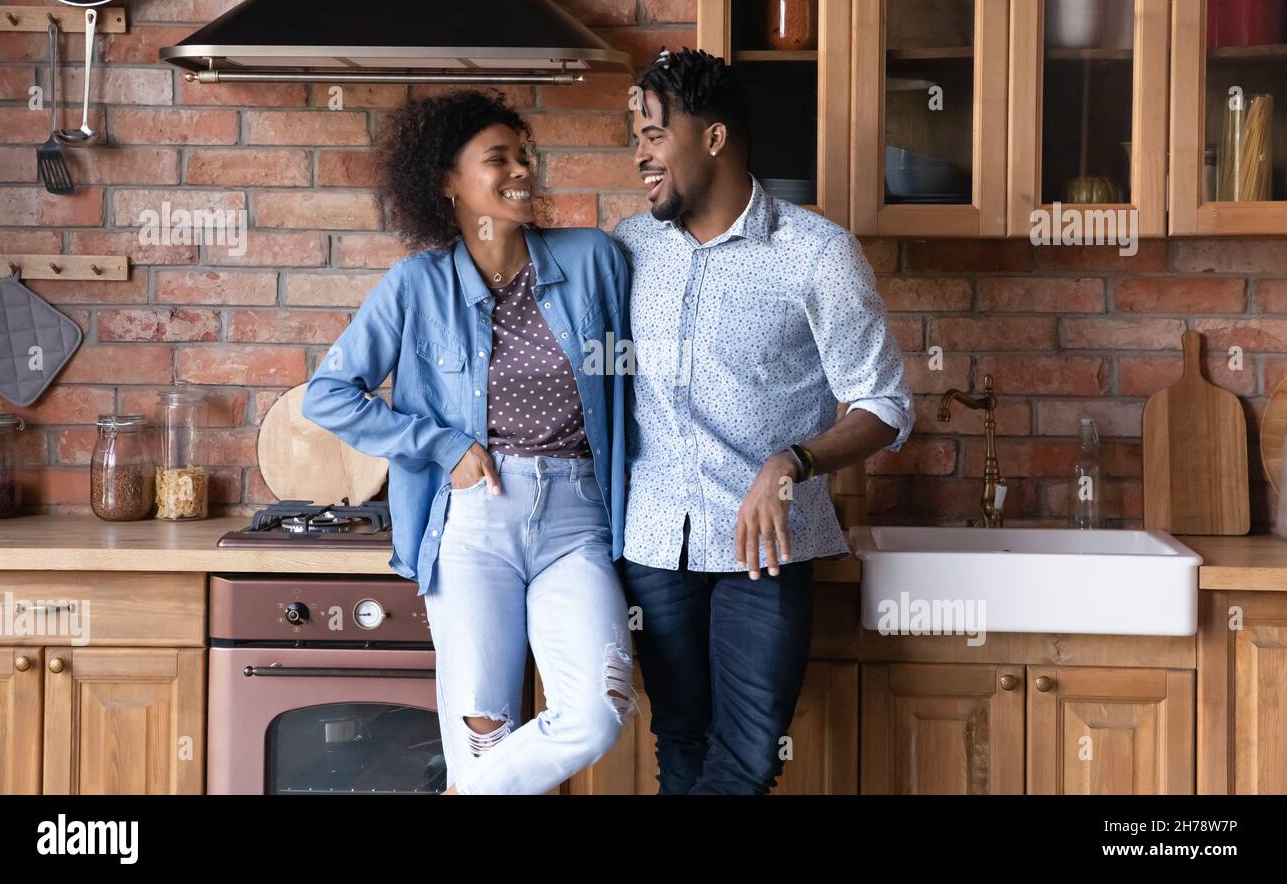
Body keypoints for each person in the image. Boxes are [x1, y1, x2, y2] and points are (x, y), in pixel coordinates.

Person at [301, 90, 634, 795]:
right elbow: (327, 394)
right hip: (474, 525)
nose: (520, 170)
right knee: (482, 736)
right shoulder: (414, 286)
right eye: (497, 159)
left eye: (523, 155)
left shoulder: (595, 259)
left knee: (598, 713)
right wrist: (442, 445)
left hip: (579, 521)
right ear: (447, 182)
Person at [613, 48, 914, 794]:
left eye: (653, 134)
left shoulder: (817, 254)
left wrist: (791, 462)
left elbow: (884, 406)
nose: (640, 156)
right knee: (680, 745)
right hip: (654, 542)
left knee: (746, 761)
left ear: (713, 138)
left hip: (765, 553)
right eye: (636, 139)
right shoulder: (626, 247)